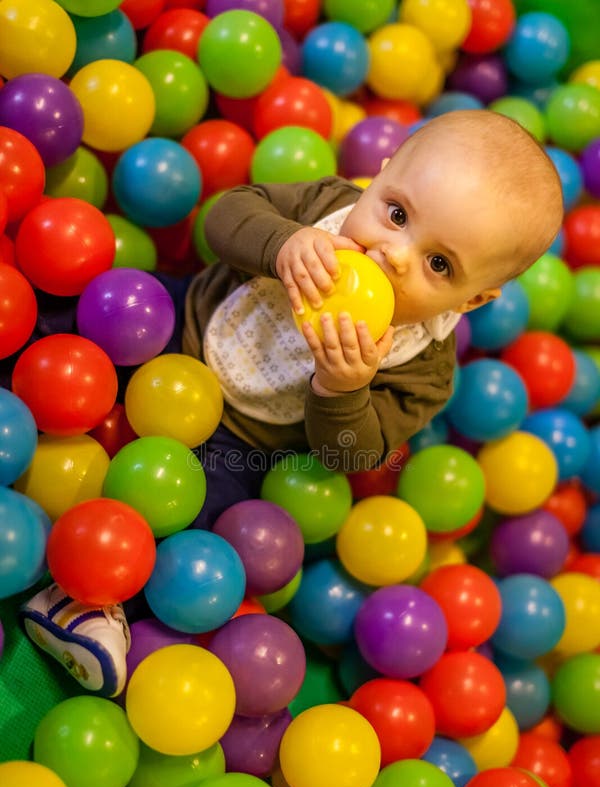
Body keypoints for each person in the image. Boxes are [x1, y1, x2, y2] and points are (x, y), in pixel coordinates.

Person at [20, 109, 564, 697]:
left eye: (439, 265)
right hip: (184, 326)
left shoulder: (425, 369)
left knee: (196, 519)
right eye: (397, 214)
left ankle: (82, 602)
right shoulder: (322, 208)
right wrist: (282, 245)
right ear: (374, 178)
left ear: (475, 299)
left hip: (238, 440)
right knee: (102, 315)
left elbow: (352, 453)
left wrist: (341, 387)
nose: (393, 255)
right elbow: (225, 216)